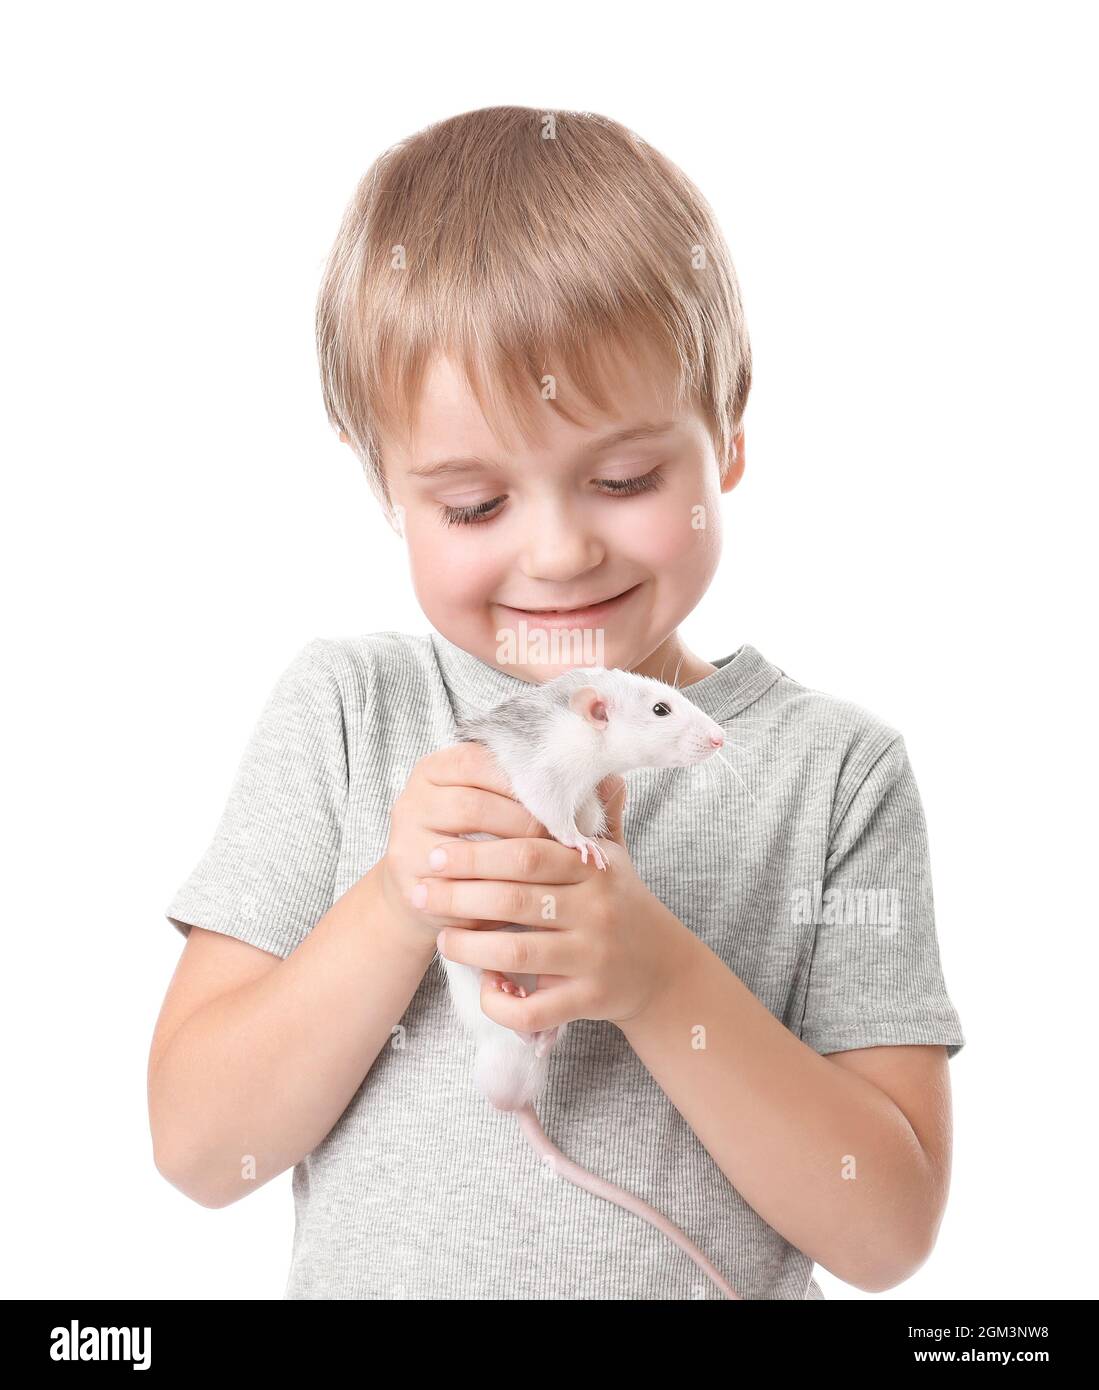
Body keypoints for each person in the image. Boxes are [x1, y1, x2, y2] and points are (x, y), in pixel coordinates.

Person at [149, 105, 964, 1300]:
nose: (559, 553)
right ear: (386, 485)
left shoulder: (833, 773)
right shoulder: (347, 712)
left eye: (625, 479)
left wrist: (659, 979)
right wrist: (396, 900)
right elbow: (203, 1152)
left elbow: (885, 1236)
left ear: (727, 432)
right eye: (475, 506)